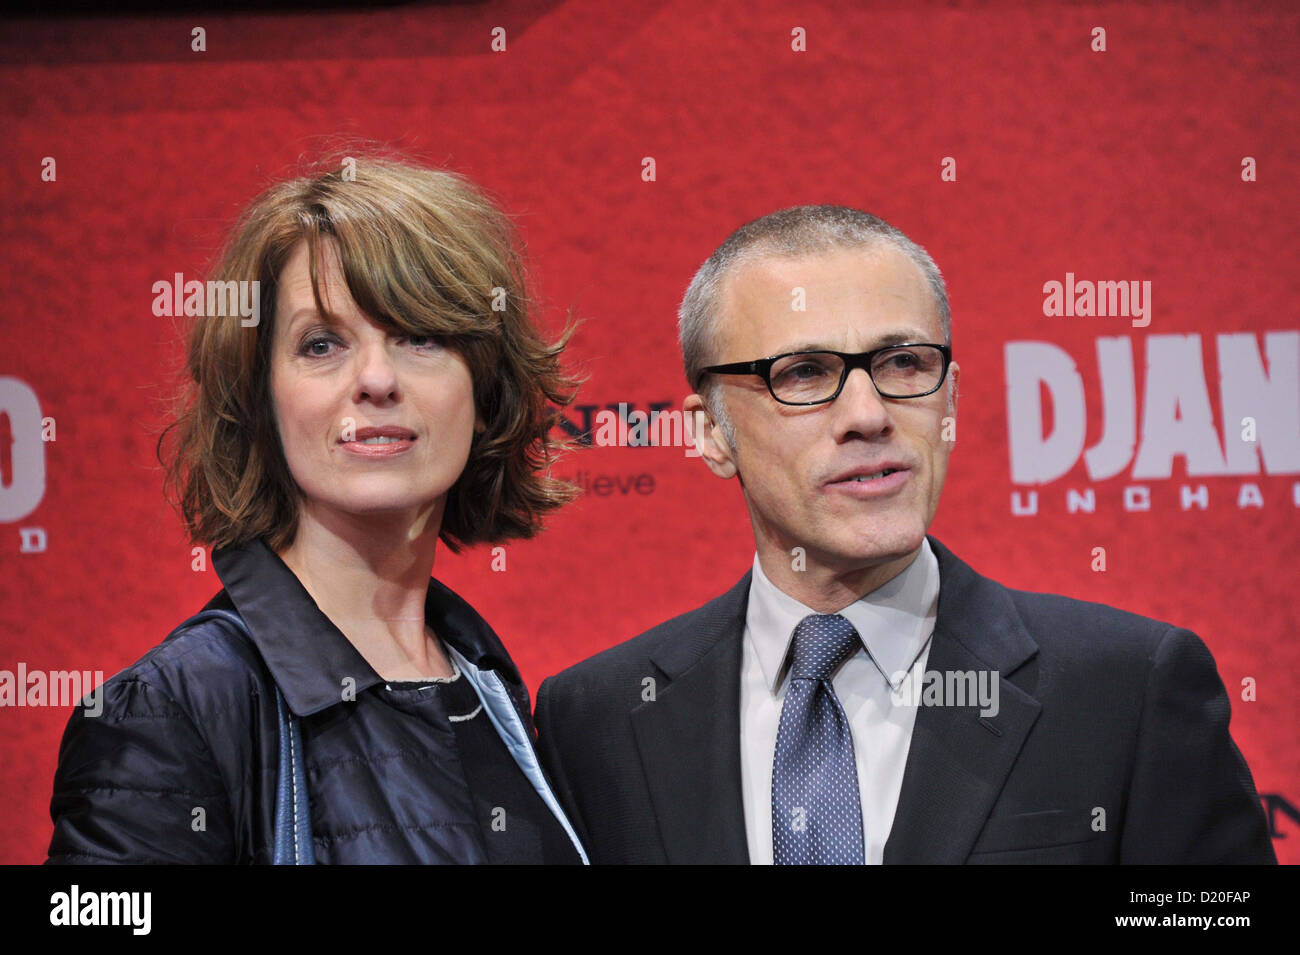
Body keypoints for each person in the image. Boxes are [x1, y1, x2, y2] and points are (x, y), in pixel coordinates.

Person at [533, 205, 1276, 865]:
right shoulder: (598, 718)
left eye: (903, 363)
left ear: (950, 395)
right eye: (803, 372)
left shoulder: (1127, 688)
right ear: (711, 433)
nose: (868, 412)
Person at [46, 156, 587, 864]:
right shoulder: (171, 712)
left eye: (419, 335)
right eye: (322, 344)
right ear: (260, 399)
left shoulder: (488, 685)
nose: (376, 379)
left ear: (485, 392)